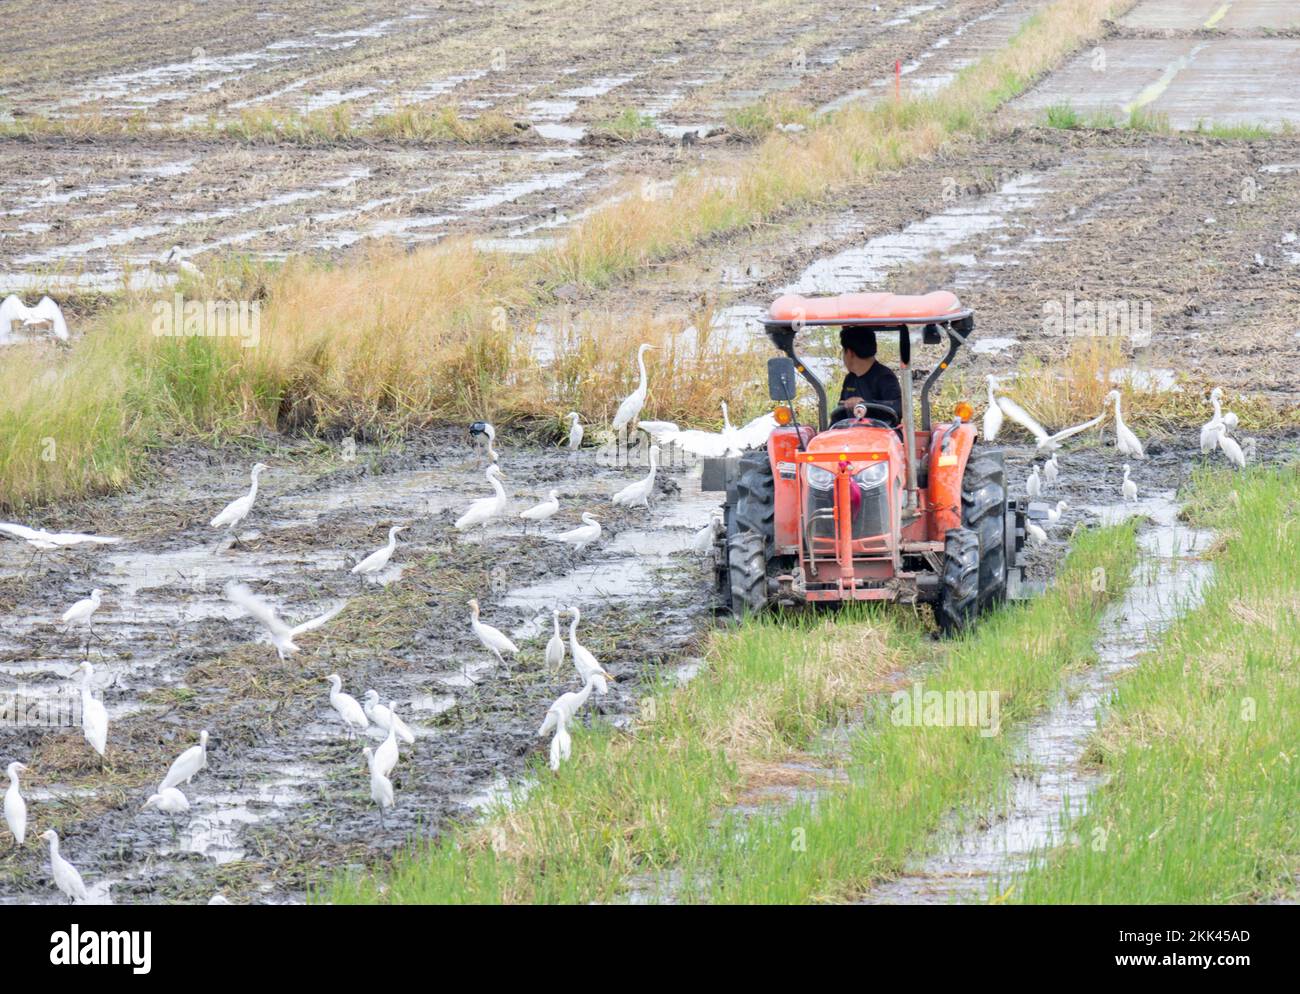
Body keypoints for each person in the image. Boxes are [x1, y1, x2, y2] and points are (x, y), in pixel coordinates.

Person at [835, 327, 901, 423]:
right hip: (852, 433)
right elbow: (840, 414)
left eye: (843, 351)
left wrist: (864, 404)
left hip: (880, 434)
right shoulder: (850, 379)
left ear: (849, 353)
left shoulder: (885, 377)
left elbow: (899, 407)